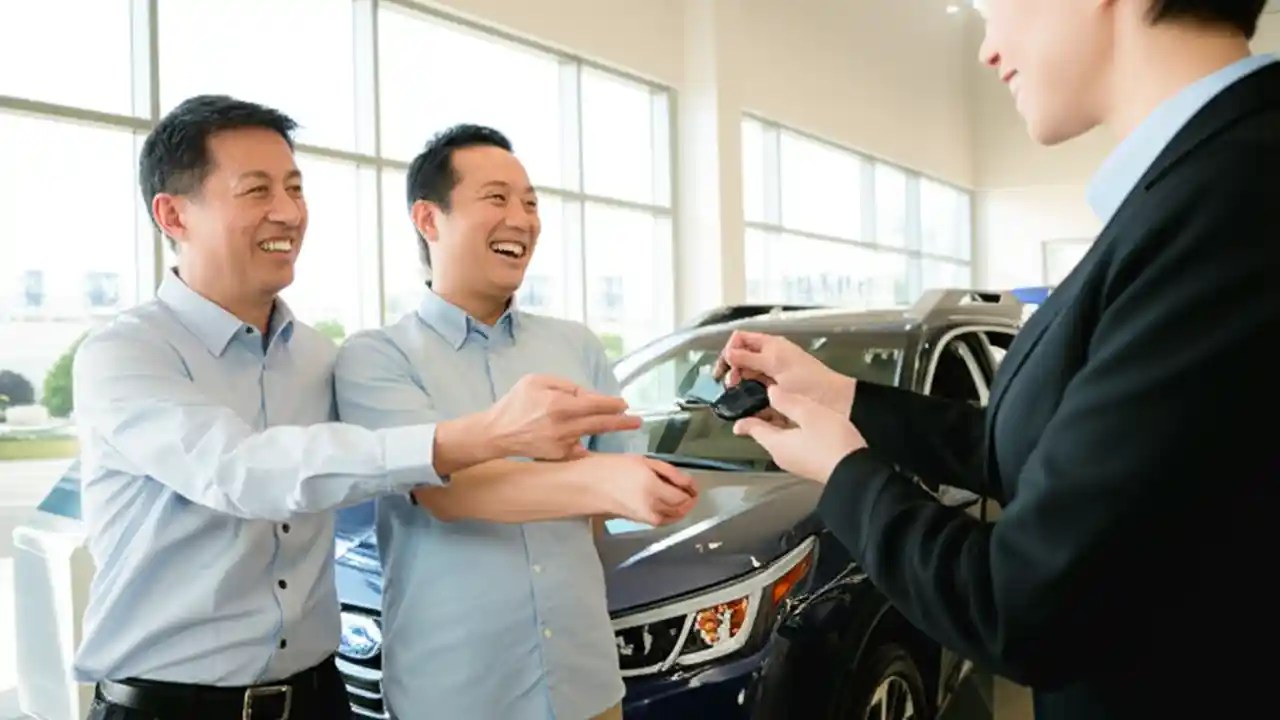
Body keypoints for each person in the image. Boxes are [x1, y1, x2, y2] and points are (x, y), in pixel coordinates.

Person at [717, 2, 1277, 718]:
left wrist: (844, 472)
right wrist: (841, 398)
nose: (987, 48)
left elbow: (1021, 605)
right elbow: (1036, 446)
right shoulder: (1193, 190)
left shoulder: (1235, 201)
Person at [72, 96, 645, 720]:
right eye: (257, 190)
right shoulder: (124, 353)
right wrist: (488, 434)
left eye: (295, 188)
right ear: (172, 214)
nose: (288, 212)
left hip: (320, 694)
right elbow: (244, 470)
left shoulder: (319, 358)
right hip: (169, 705)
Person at [333, 123, 698, 720]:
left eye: (530, 203)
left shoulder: (576, 345)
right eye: (497, 199)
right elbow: (442, 491)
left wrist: (614, 484)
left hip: (584, 681)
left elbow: (618, 491)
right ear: (429, 220)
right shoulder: (377, 357)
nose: (522, 220)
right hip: (455, 691)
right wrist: (598, 479)